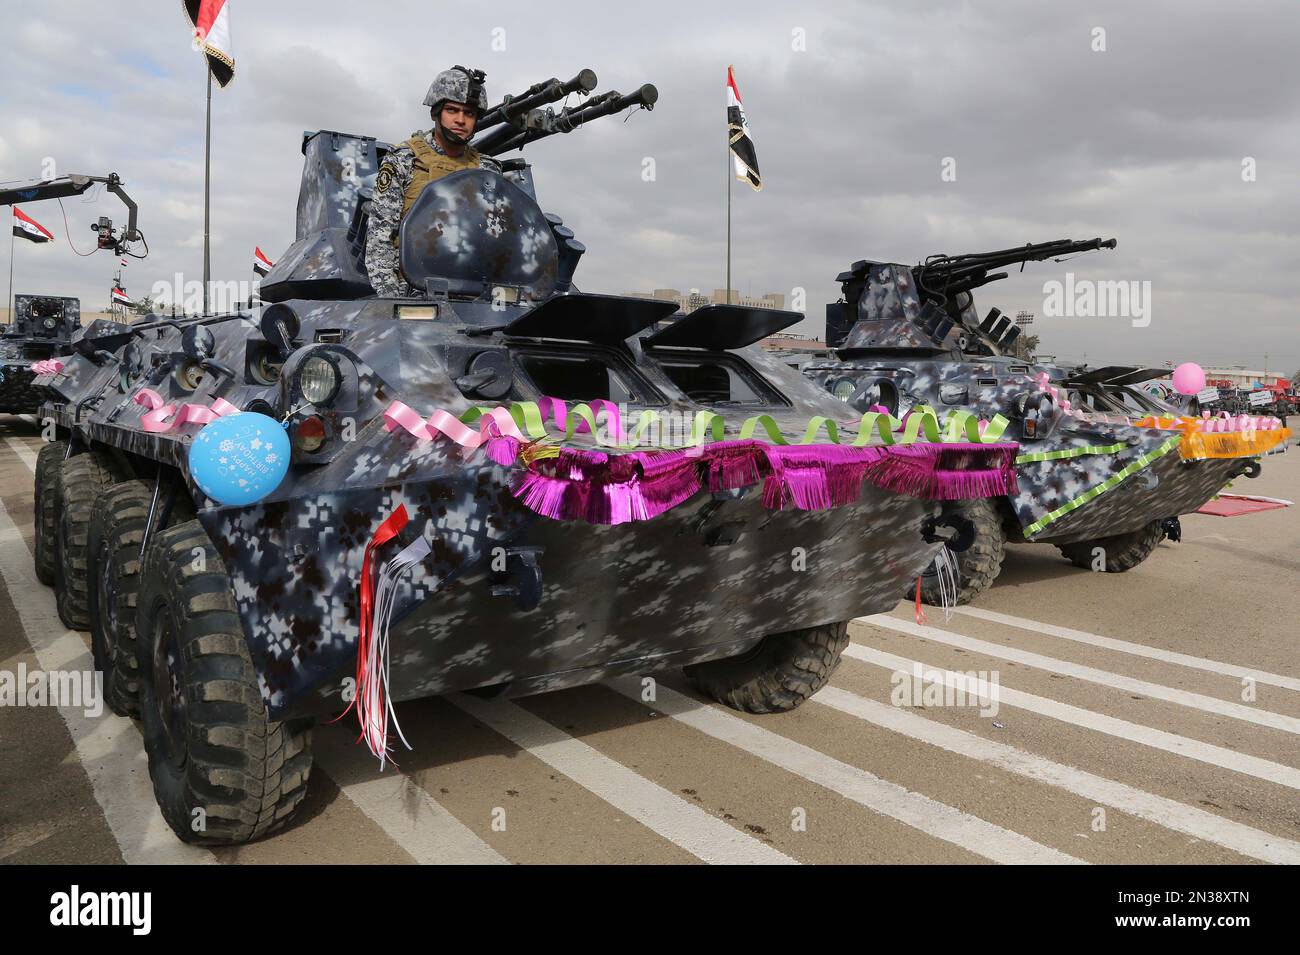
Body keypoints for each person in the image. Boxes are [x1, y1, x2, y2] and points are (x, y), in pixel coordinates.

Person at [365, 66, 503, 297]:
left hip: (474, 292)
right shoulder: (404, 159)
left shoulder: (487, 169)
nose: (460, 120)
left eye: (469, 113)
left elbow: (499, 239)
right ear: (436, 113)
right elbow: (380, 237)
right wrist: (392, 300)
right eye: (452, 110)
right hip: (414, 290)